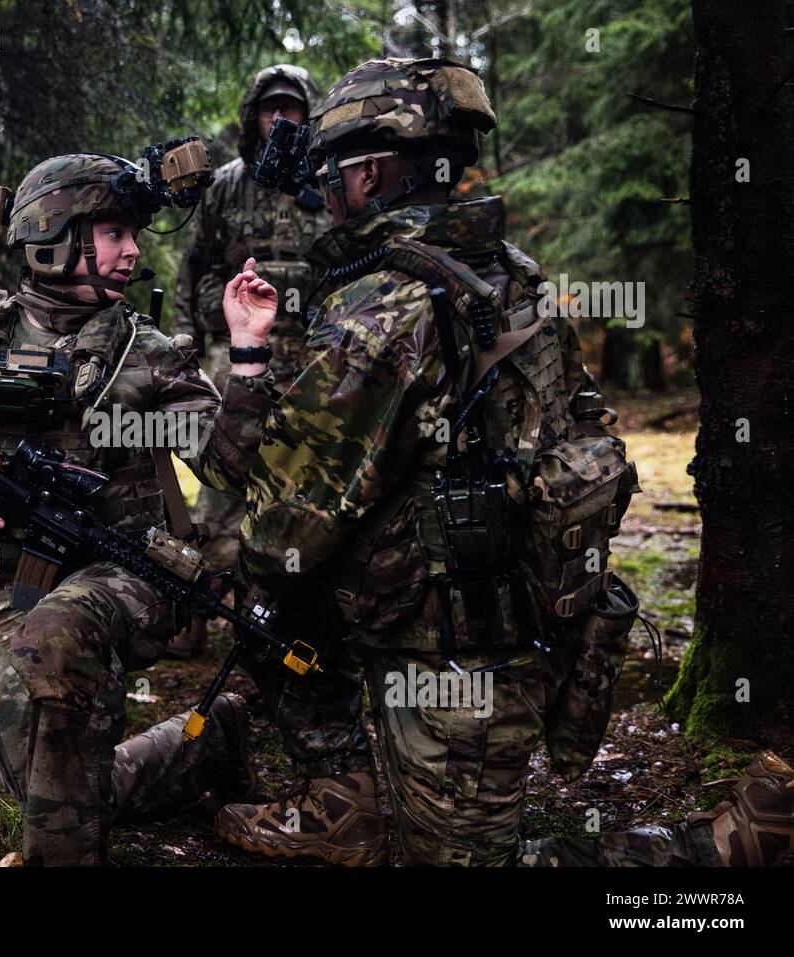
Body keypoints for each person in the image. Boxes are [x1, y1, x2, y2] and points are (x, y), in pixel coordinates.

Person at [217, 56, 794, 867]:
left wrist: (247, 389)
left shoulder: (385, 308)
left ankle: (722, 850)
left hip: (452, 666)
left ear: (372, 171)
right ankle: (342, 799)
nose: (323, 193)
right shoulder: (507, 275)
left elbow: (281, 534)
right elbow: (587, 427)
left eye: (330, 174)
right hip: (516, 632)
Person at [0, 152, 279, 865]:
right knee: (57, 784)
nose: (132, 249)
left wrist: (247, 354)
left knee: (57, 642)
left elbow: (231, 466)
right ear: (53, 233)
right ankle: (209, 738)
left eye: (133, 234)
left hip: (125, 574)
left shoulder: (149, 352)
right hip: (2, 587)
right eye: (113, 232)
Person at [168, 64, 330, 657]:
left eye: (292, 108)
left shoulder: (327, 184)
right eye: (271, 109)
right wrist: (187, 348)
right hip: (236, 358)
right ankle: (195, 615)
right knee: (219, 490)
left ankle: (280, 626)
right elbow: (193, 273)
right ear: (253, 115)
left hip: (311, 363)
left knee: (303, 491)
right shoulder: (225, 186)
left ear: (308, 116)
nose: (281, 118)